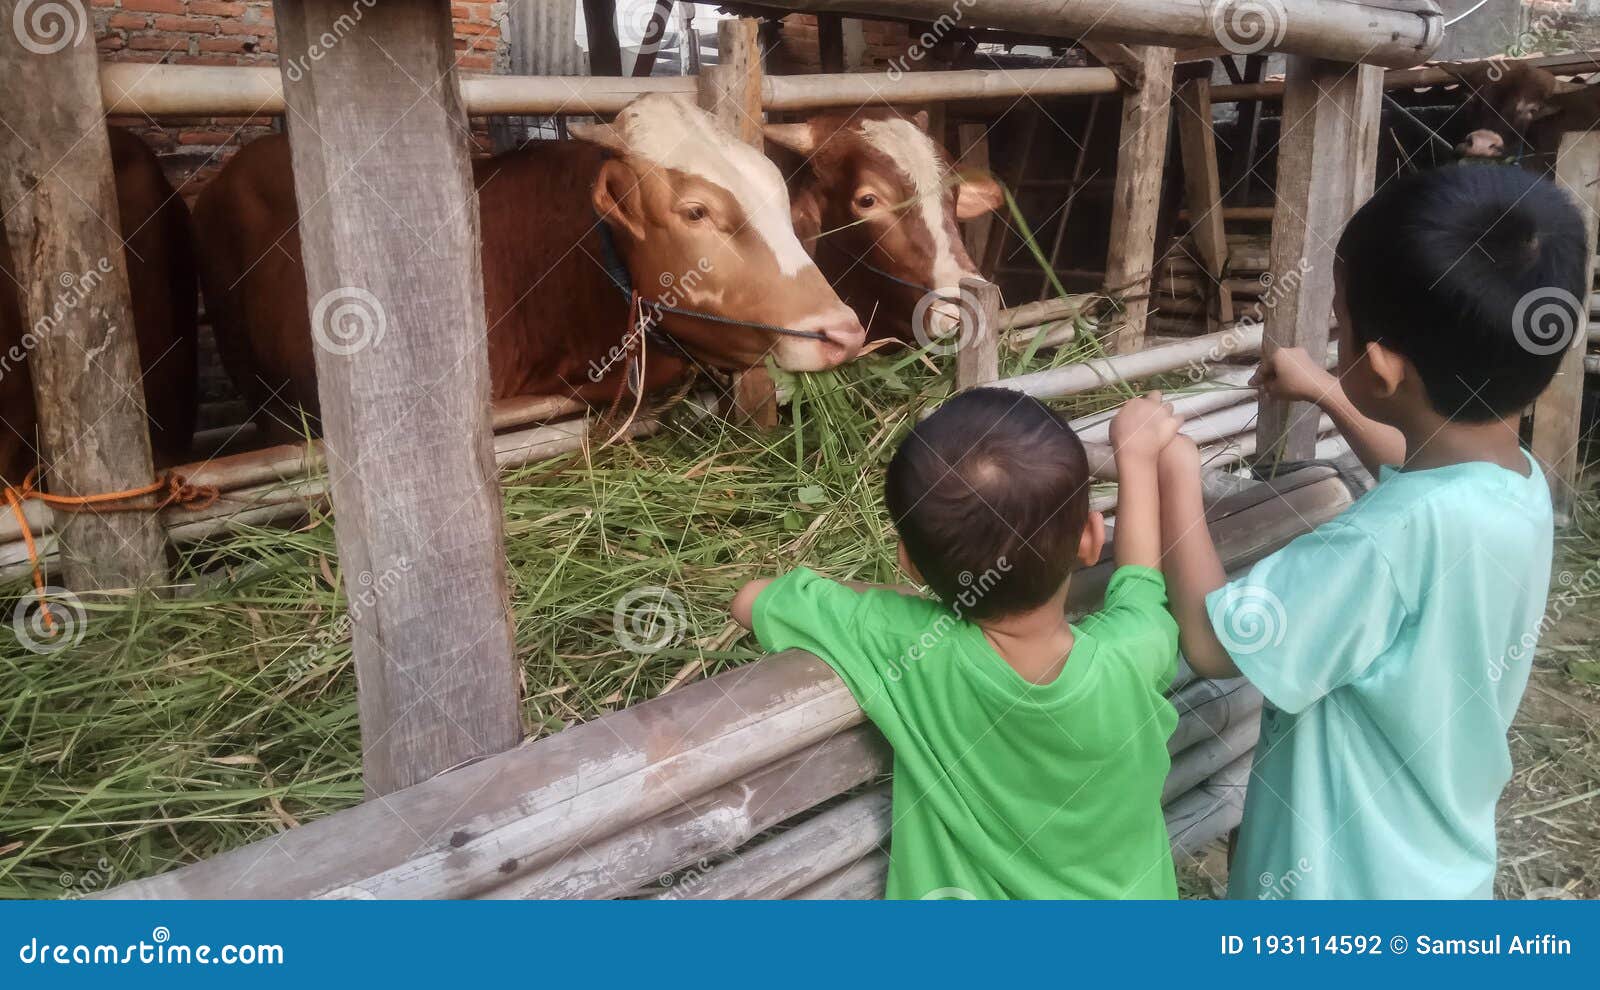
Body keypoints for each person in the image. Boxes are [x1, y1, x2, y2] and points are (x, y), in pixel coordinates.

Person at [1156, 165, 1587, 898]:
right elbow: (1418, 466)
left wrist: (1166, 466)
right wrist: (1327, 389)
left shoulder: (1383, 543)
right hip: (1437, 872)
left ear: (1385, 368)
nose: (1332, 335)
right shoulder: (1515, 485)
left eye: (1339, 323)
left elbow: (1212, 640)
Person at [730, 386, 1186, 899]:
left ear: (911, 562)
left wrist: (897, 598)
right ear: (1090, 538)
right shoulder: (1134, 652)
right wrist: (1136, 458)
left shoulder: (902, 642)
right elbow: (1142, 585)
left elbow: (752, 598)